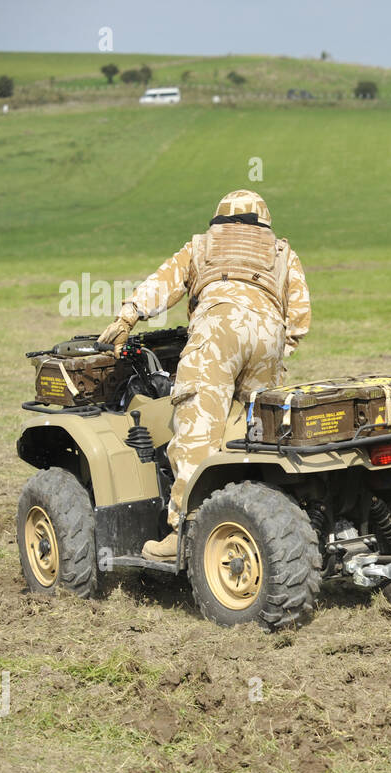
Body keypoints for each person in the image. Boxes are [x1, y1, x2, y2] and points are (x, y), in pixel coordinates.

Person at [98, 190, 311, 561]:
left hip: (218, 330)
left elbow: (163, 284)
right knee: (258, 430)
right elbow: (299, 319)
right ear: (263, 221)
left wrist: (127, 316)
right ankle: (258, 517)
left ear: (220, 220)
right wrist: (277, 350)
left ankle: (184, 532)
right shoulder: (282, 252)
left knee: (197, 429)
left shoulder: (202, 245)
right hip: (269, 336)